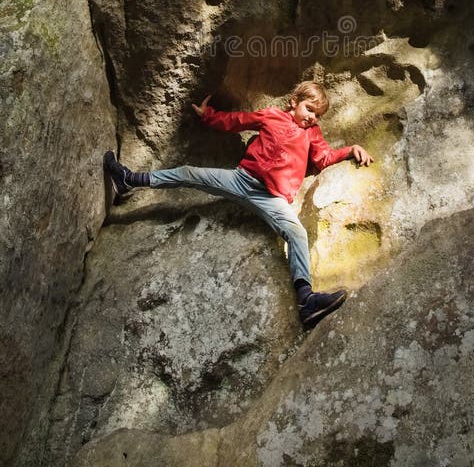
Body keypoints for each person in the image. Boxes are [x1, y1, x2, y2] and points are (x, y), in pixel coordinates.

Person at [104, 80, 373, 328]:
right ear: (294, 101)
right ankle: (130, 180)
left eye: (318, 115)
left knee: (296, 232)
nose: (312, 117)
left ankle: (305, 299)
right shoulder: (271, 115)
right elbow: (238, 121)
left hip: (271, 198)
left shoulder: (312, 133)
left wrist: (349, 150)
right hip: (241, 180)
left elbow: (323, 157)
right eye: (309, 109)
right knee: (189, 172)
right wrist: (208, 115)